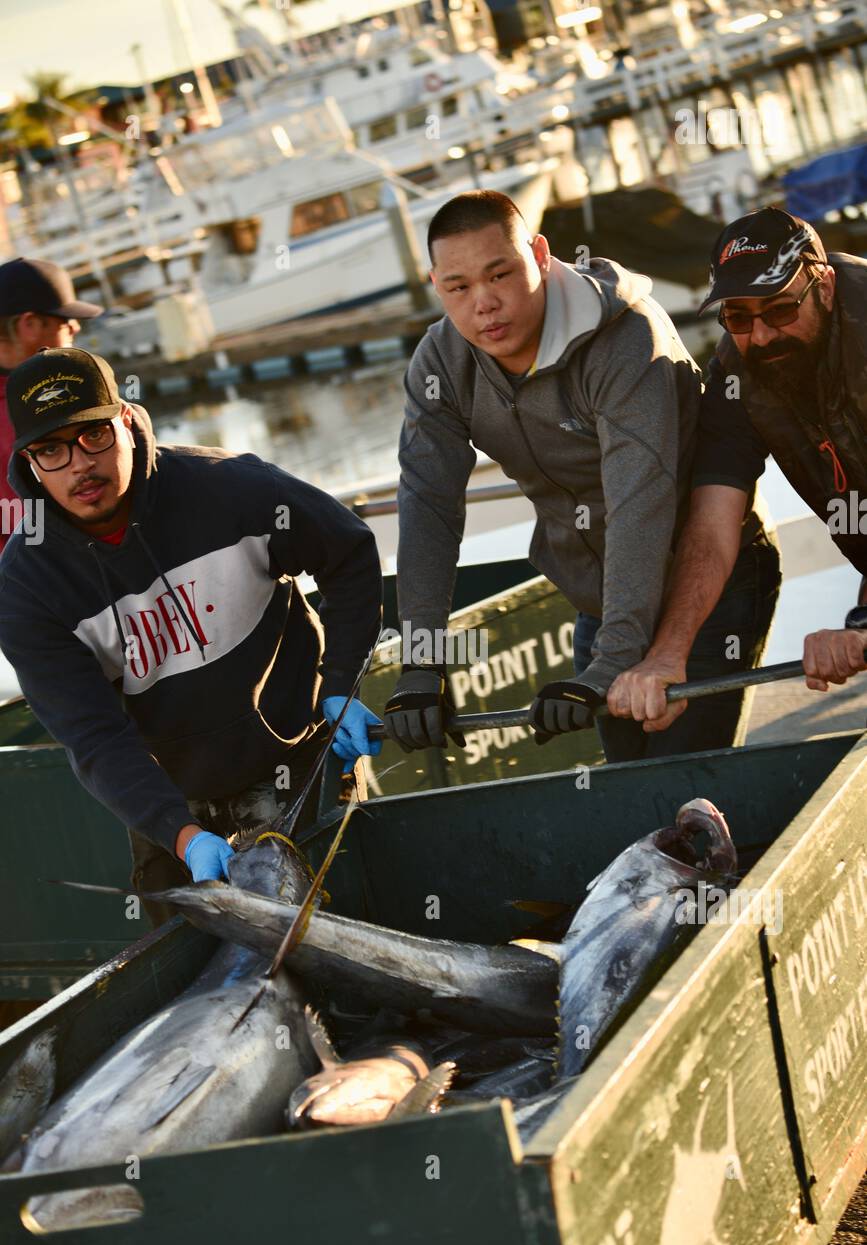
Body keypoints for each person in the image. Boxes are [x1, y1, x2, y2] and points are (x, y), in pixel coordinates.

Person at [382, 189, 779, 760]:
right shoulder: (441, 361)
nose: (484, 304)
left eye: (501, 274)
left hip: (710, 575)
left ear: (540, 255)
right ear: (435, 284)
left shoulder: (625, 336)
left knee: (685, 784)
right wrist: (421, 664)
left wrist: (614, 662)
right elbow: (428, 504)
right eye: (458, 287)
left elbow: (638, 502)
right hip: (599, 591)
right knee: (623, 777)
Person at [0, 348, 383, 924]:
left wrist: (342, 683)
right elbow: (96, 738)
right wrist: (183, 837)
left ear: (126, 422)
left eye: (93, 435)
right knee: (203, 991)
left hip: (304, 765)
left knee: (365, 941)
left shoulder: (230, 488)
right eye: (51, 449)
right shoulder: (26, 585)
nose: (79, 464)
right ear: (30, 463)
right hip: (170, 806)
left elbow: (349, 554)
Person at [608, 206, 867, 734]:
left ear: (826, 284)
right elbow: (713, 523)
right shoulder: (735, 372)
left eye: (778, 309)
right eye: (739, 317)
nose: (762, 336)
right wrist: (667, 656)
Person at [0, 258, 102, 551]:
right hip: (55, 581)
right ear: (29, 324)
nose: (75, 328)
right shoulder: (47, 401)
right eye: (65, 320)